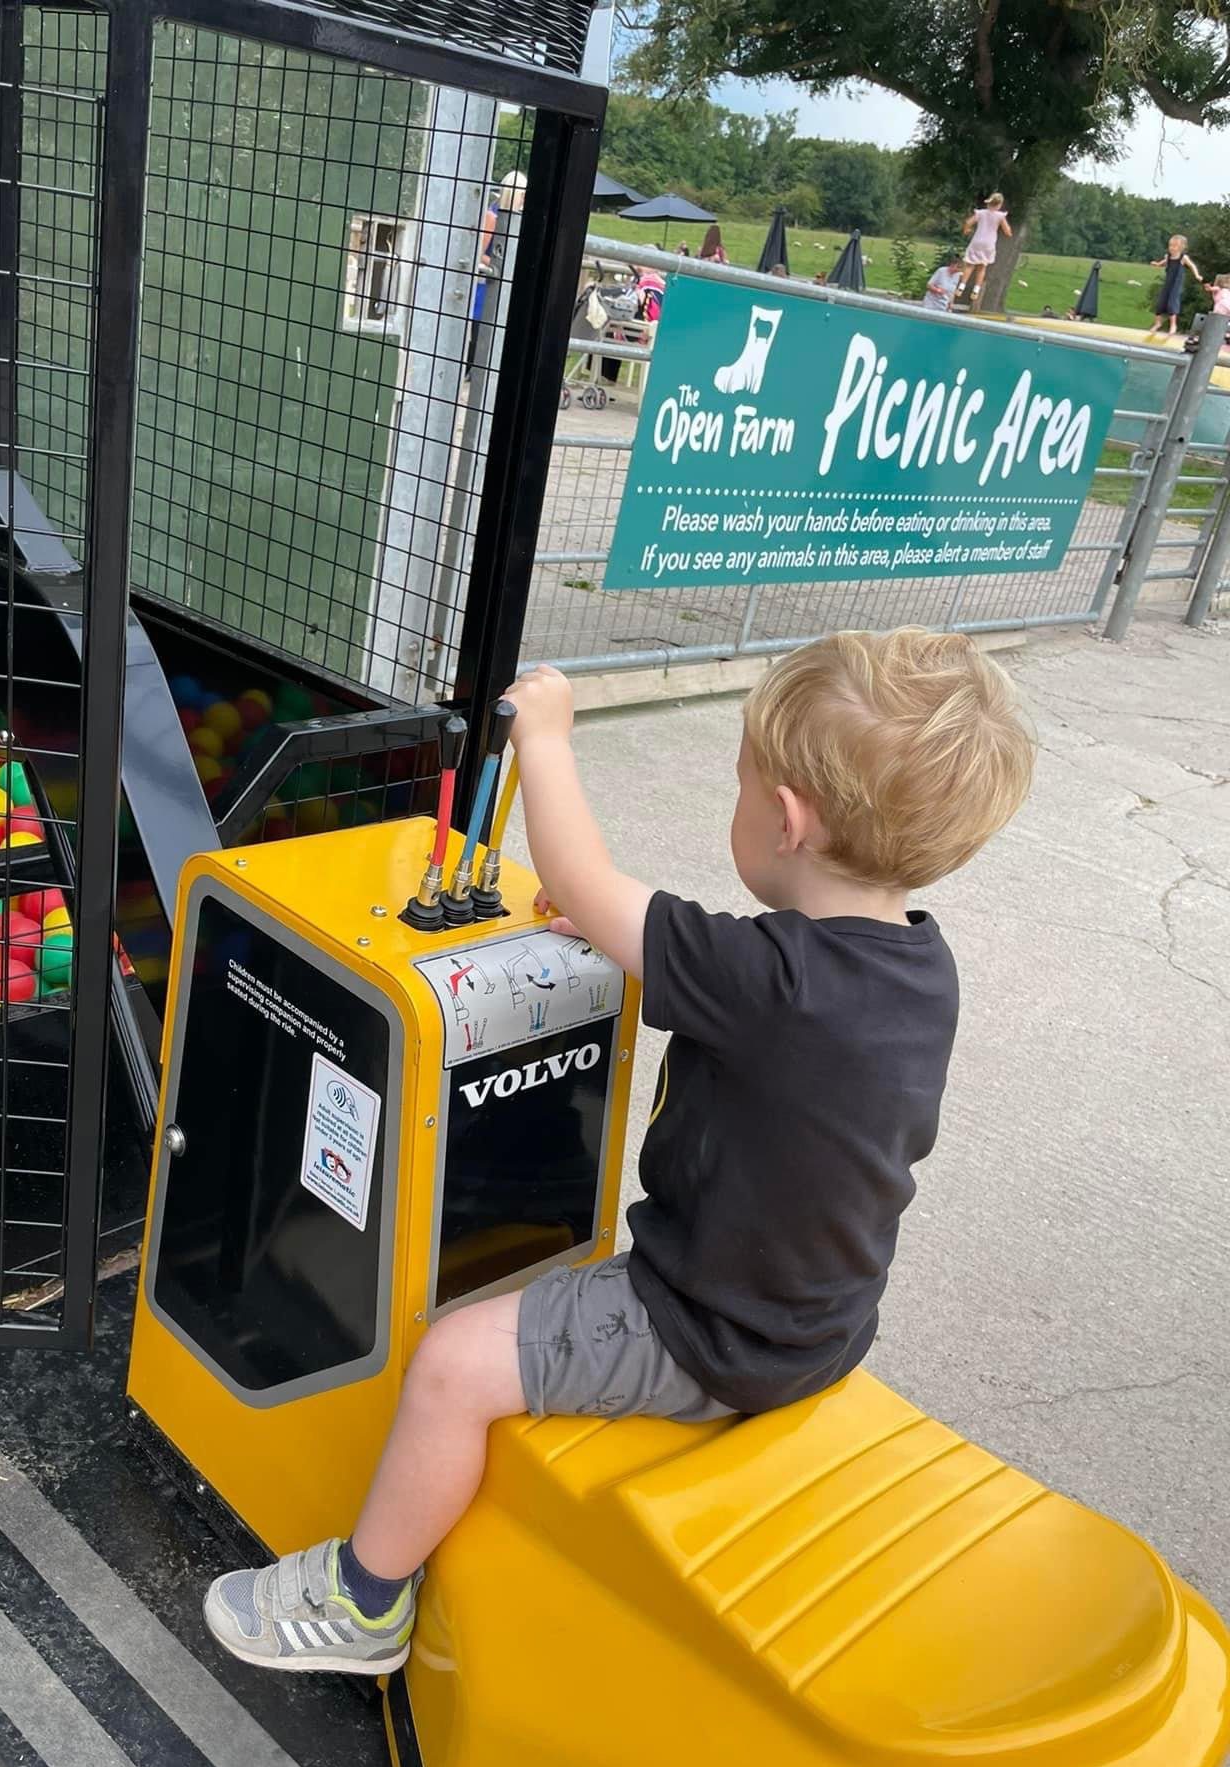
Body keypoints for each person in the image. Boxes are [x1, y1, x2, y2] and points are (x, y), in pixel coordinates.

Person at [202, 631, 1036, 1675]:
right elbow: (679, 942)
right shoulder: (916, 965)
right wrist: (611, 923)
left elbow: (583, 877)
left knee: (453, 1365)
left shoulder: (765, 979)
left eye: (739, 782)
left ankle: (365, 1601)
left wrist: (548, 736)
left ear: (786, 819)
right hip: (825, 1317)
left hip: (706, 1328)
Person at [961, 192, 1011, 304]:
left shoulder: (981, 213)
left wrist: (966, 230)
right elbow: (1007, 231)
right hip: (989, 244)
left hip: (977, 241)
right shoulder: (1000, 216)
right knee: (982, 267)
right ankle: (976, 289)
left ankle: (962, 286)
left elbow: (968, 222)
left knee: (970, 265)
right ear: (1000, 205)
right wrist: (1008, 233)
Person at [1147, 235, 1200, 338]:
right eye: (1170, 245)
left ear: (1181, 247)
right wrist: (1157, 264)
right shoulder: (1168, 257)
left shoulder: (1183, 258)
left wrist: (1197, 275)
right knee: (1160, 303)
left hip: (1176, 284)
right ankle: (1158, 323)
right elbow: (1164, 262)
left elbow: (1192, 266)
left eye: (1175, 246)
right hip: (1168, 283)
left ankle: (1173, 325)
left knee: (1172, 303)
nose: (1172, 248)